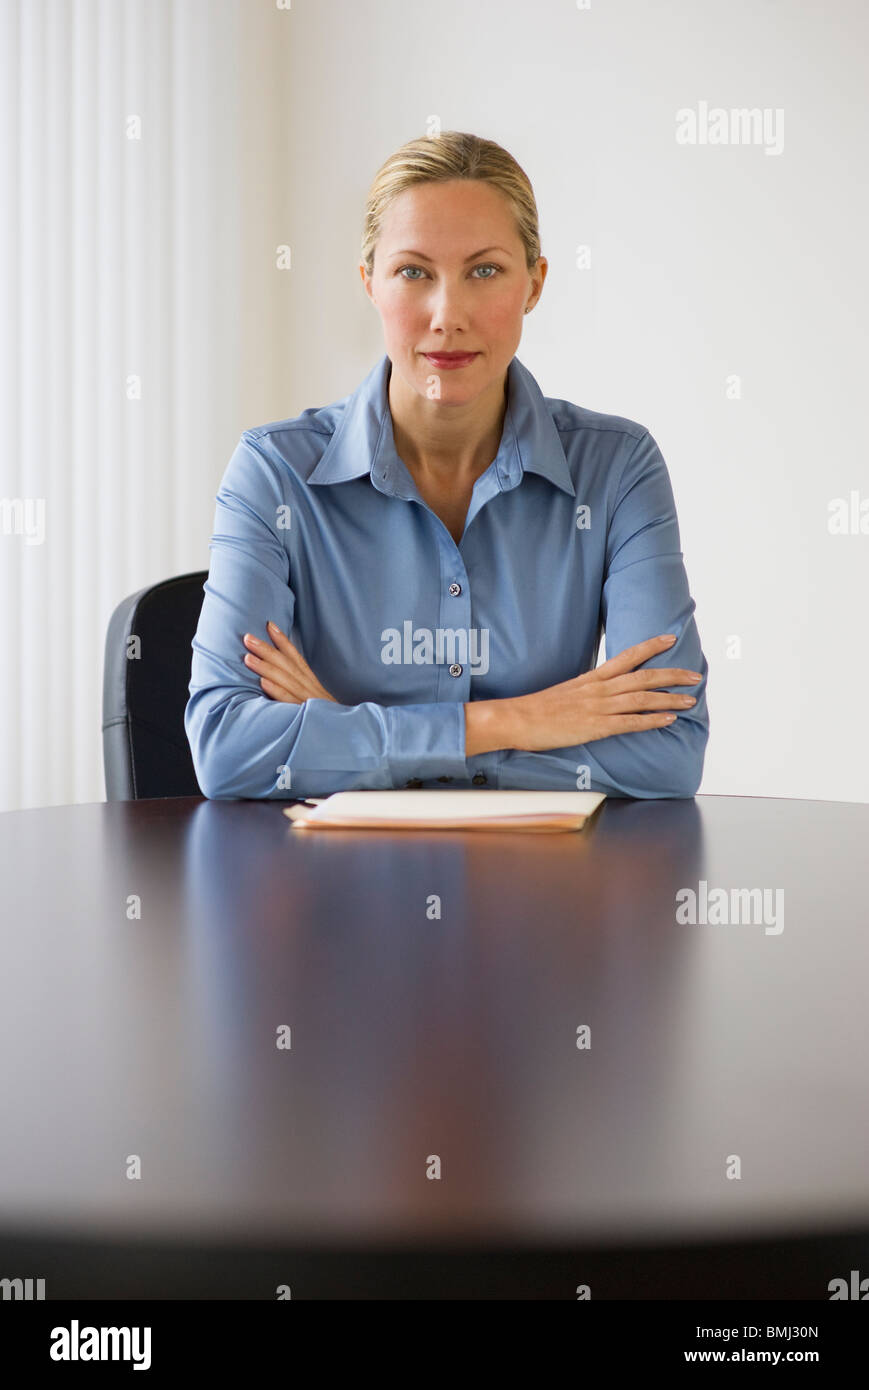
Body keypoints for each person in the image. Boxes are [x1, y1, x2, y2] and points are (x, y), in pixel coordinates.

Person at [185, 131, 709, 801]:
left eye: (484, 271)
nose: (447, 315)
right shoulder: (273, 471)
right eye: (413, 272)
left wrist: (349, 736)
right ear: (369, 282)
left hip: (541, 893)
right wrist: (514, 722)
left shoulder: (616, 468)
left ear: (534, 284)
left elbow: (666, 756)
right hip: (330, 893)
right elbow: (228, 751)